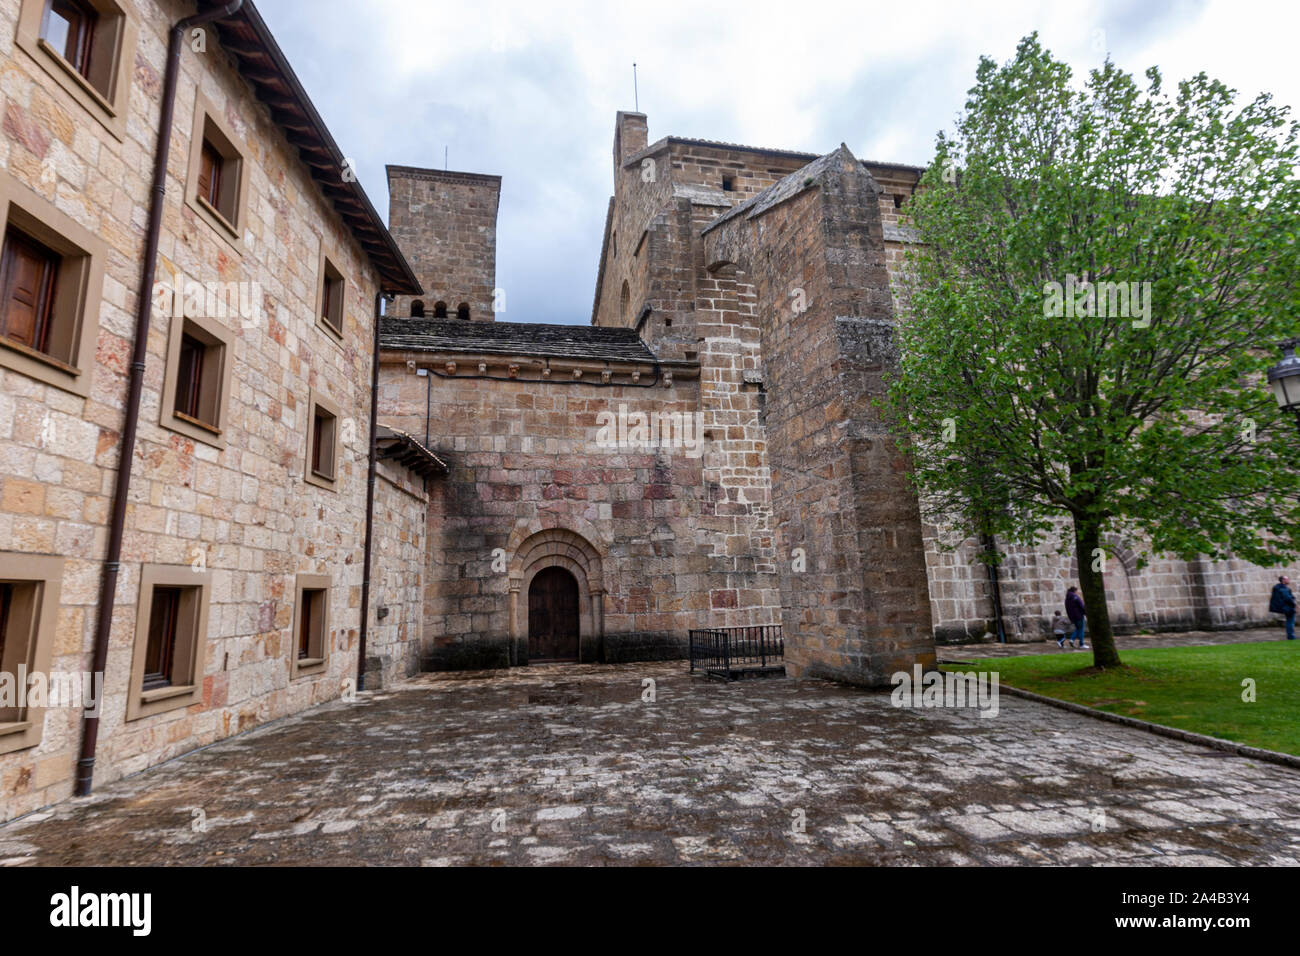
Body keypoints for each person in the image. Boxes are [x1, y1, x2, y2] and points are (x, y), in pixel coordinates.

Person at [1269, 575, 1296, 641]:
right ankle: (1291, 636)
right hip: (1287, 607)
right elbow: (1287, 598)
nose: (1288, 580)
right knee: (1290, 621)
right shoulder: (1283, 588)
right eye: (1287, 579)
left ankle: (1290, 635)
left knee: (1289, 621)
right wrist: (1294, 604)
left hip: (1284, 607)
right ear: (1283, 580)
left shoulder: (1278, 587)